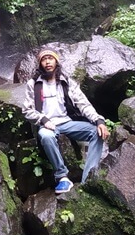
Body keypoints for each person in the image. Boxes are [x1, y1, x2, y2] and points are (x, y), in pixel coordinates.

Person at [22, 49, 109, 194]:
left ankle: (87, 178)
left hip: (67, 122)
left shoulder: (66, 81)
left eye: (50, 58)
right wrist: (43, 120)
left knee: (96, 132)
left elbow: (83, 104)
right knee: (46, 136)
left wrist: (99, 120)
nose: (48, 62)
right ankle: (62, 177)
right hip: (47, 125)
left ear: (56, 61)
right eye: (44, 59)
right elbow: (26, 110)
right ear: (40, 64)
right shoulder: (34, 84)